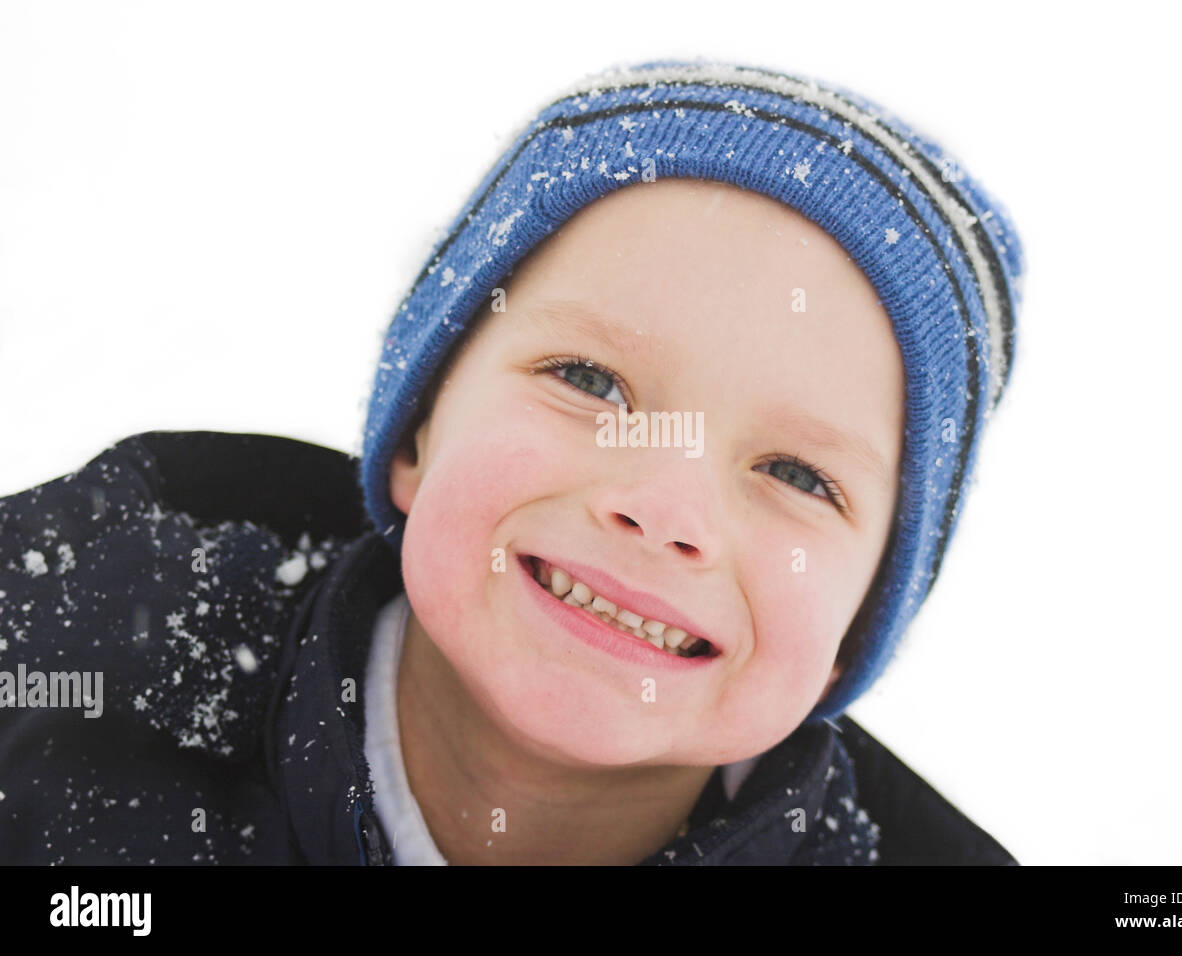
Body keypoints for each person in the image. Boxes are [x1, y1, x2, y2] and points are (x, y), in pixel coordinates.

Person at [0, 58, 1025, 865]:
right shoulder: (61, 652)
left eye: (798, 475)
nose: (664, 504)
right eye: (588, 379)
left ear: (858, 622)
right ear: (416, 430)